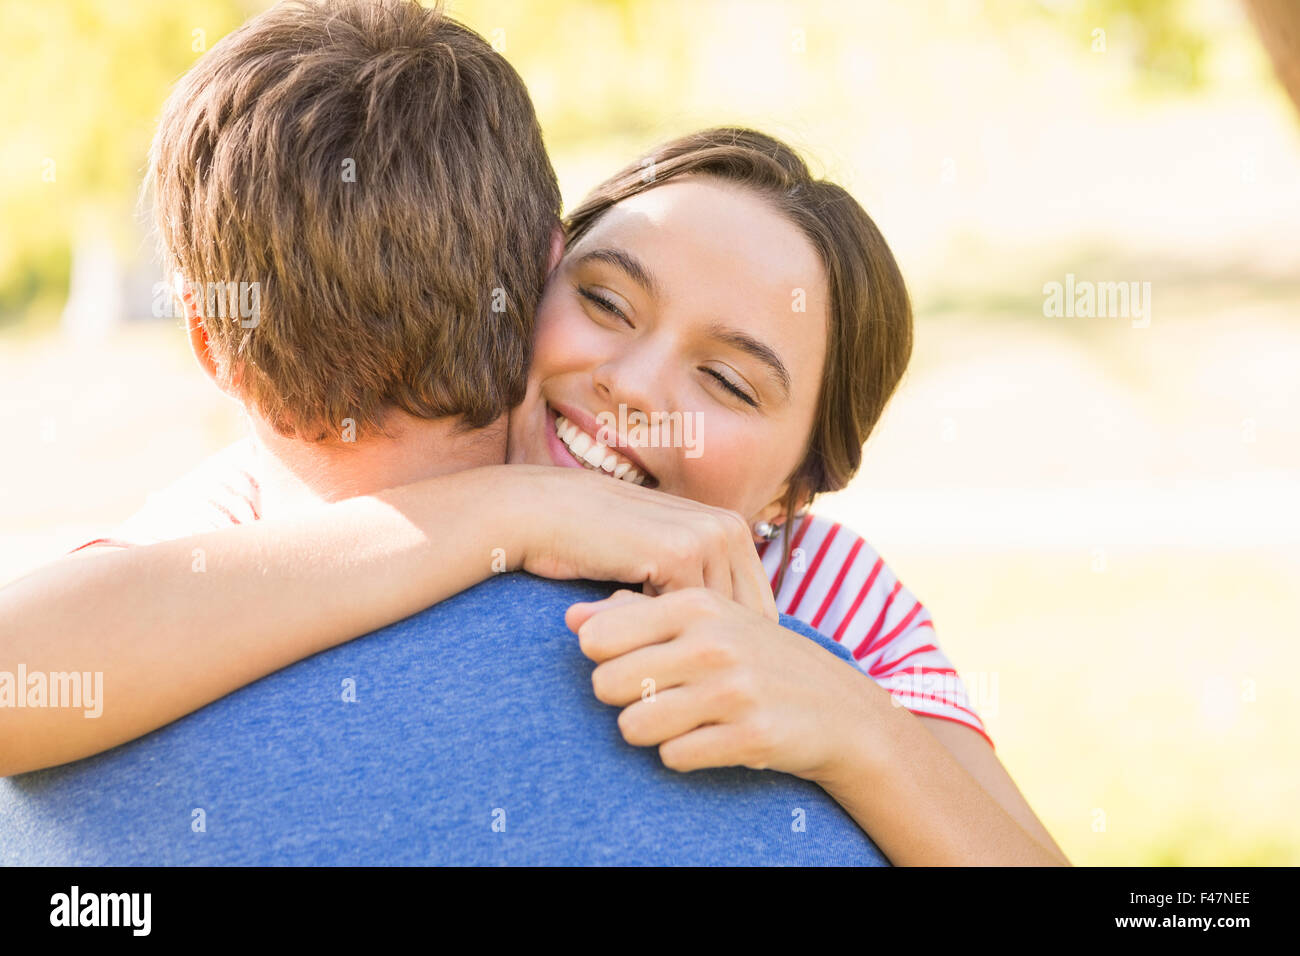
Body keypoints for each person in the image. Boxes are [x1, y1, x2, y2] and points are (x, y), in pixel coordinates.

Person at [0, 0, 1065, 864]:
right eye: (605, 302)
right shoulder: (272, 505)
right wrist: (505, 510)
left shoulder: (821, 586)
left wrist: (858, 727)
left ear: (793, 492)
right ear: (533, 276)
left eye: (727, 380)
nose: (631, 385)